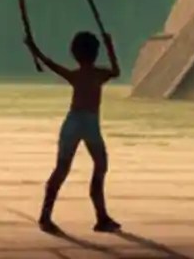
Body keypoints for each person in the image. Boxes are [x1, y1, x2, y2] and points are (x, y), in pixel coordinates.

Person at [25, 31, 122, 234]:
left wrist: (34, 49)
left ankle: (46, 216)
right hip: (88, 123)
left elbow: (52, 64)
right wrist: (110, 45)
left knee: (62, 169)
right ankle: (100, 217)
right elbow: (116, 71)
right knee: (100, 165)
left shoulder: (77, 75)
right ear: (96, 53)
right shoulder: (98, 74)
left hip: (74, 122)